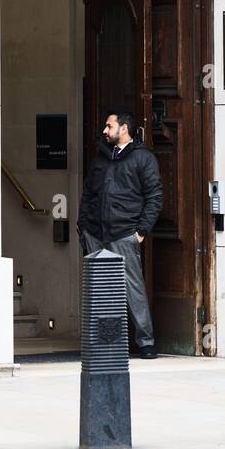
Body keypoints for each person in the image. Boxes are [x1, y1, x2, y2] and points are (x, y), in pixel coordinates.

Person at [77, 110, 164, 359]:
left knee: (132, 288)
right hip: (95, 233)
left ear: (123, 128)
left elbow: (155, 196)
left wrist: (140, 232)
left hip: (124, 233)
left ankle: (146, 343)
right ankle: (101, 342)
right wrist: (83, 227)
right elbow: (88, 194)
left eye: (109, 126)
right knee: (97, 290)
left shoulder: (142, 158)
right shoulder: (101, 158)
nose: (104, 130)